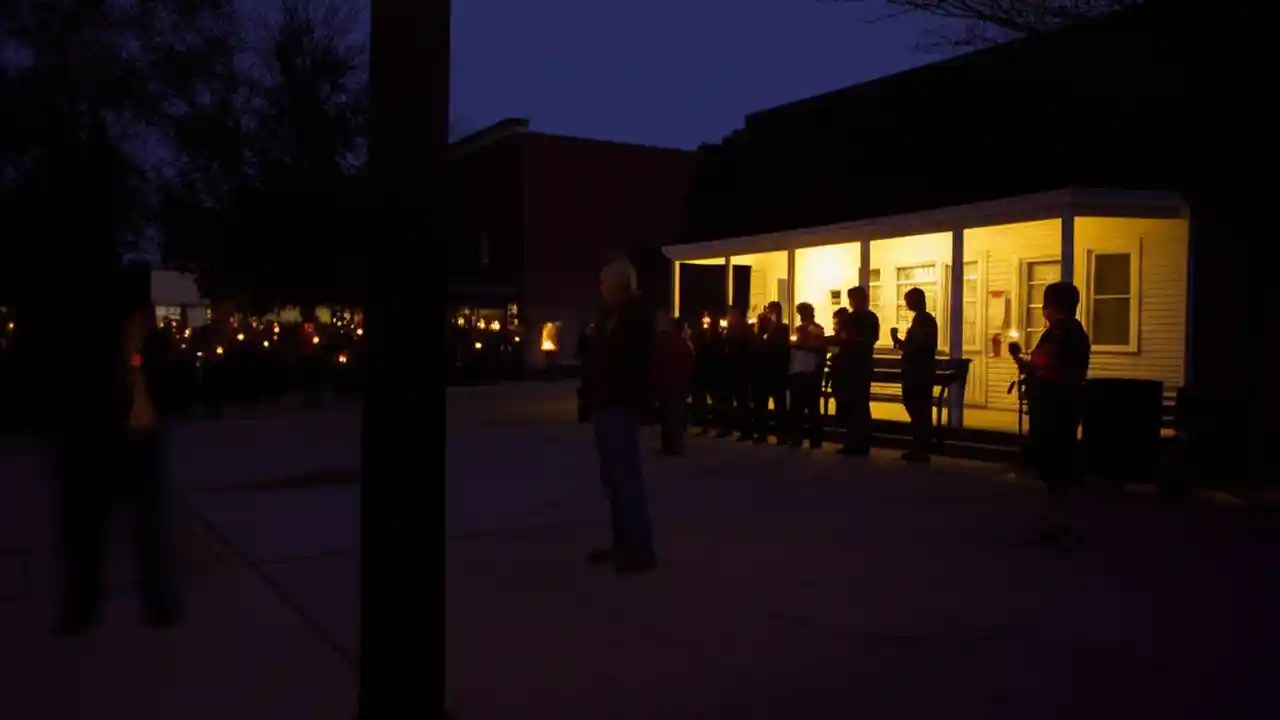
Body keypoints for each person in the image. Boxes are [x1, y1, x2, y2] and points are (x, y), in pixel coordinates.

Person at [52, 263, 181, 635]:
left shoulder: (146, 333)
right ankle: (86, 602)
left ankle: (152, 601)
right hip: (106, 434)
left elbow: (160, 372)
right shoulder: (101, 335)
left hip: (138, 433)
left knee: (142, 524)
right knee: (95, 524)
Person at [580, 259, 657, 575]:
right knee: (612, 478)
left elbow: (630, 359)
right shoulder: (608, 316)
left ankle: (640, 548)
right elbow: (595, 355)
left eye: (606, 286)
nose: (602, 291)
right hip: (605, 402)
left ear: (620, 286)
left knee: (626, 478)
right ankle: (623, 542)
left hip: (621, 403)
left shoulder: (635, 316)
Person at [1009, 281, 1091, 545]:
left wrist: (1025, 361)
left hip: (1054, 403)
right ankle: (1057, 518)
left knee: (1055, 461)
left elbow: (1043, 362)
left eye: (1046, 305)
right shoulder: (1075, 331)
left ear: (1053, 306)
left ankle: (1059, 521)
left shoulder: (1061, 332)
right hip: (1063, 401)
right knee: (1059, 460)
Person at [892, 287, 937, 464]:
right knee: (918, 409)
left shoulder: (923, 320)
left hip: (918, 371)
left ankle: (921, 448)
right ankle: (919, 446)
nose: (906, 304)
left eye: (908, 300)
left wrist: (898, 341)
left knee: (918, 408)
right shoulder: (923, 319)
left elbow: (916, 346)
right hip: (918, 370)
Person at [840, 286, 880, 456]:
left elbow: (849, 337)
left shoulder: (857, 318)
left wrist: (847, 338)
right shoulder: (869, 317)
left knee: (856, 405)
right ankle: (858, 441)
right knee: (858, 405)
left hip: (855, 366)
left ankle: (857, 441)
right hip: (859, 365)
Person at [652, 312, 694, 455]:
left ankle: (669, 444)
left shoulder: (664, 341)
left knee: (668, 414)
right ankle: (674, 445)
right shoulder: (681, 343)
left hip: (667, 382)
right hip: (677, 382)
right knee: (674, 414)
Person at [788, 302, 826, 450]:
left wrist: (801, 343)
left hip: (808, 371)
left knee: (810, 407)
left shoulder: (815, 329)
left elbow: (816, 347)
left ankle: (813, 440)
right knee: (798, 407)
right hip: (798, 370)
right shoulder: (802, 329)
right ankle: (798, 438)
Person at [751, 301, 790, 445]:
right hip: (762, 372)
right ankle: (762, 433)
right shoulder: (763, 330)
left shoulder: (782, 329)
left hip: (776, 371)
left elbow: (778, 347)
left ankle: (782, 435)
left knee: (779, 405)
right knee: (761, 404)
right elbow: (757, 345)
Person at [724, 307, 755, 442]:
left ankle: (746, 430)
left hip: (742, 369)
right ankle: (741, 428)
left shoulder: (743, 330)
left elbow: (738, 347)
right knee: (740, 399)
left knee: (742, 400)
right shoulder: (738, 330)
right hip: (736, 369)